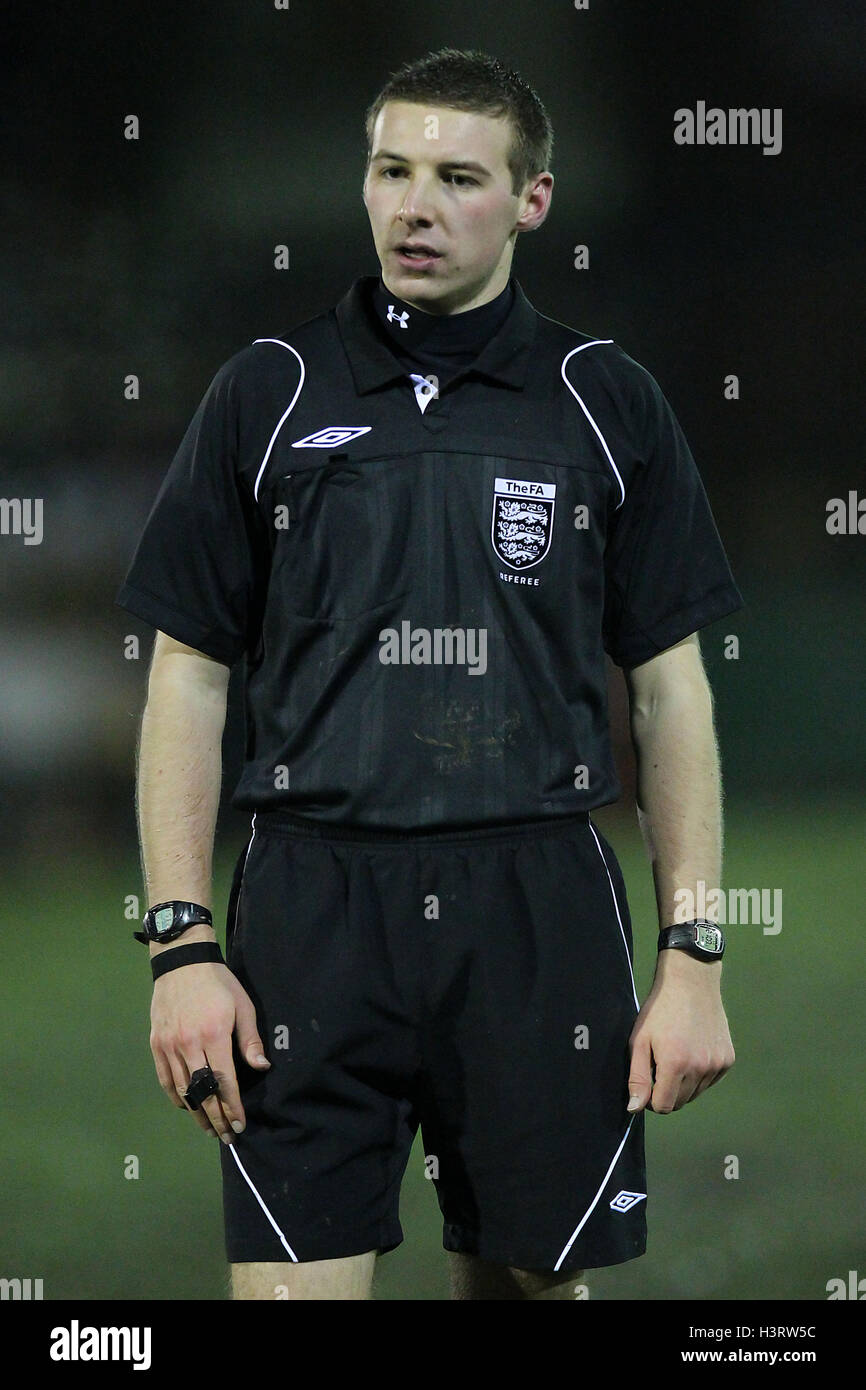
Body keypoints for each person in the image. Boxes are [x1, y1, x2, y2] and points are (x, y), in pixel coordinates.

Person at [116, 47, 743, 1301]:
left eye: (458, 177)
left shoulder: (601, 398)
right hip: (308, 912)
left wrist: (692, 960)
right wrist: (181, 944)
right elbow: (185, 675)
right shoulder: (268, 392)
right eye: (390, 170)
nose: (413, 205)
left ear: (531, 201)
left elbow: (671, 689)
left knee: (524, 1288)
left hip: (537, 910)